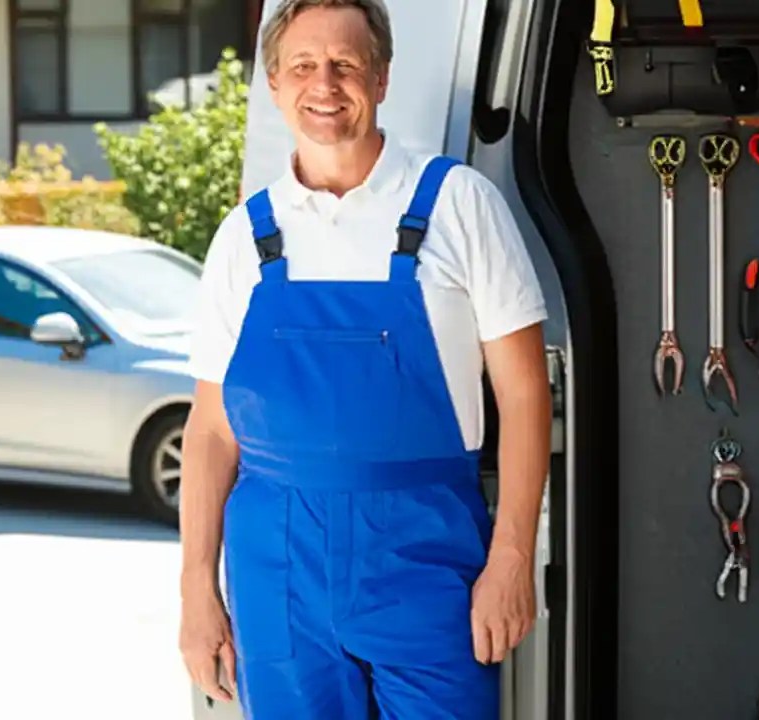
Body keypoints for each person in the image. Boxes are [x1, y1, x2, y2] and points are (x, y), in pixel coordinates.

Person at [175, 0, 553, 716]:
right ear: (277, 86)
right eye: (304, 67)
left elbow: (526, 394)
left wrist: (511, 556)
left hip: (428, 558)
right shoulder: (245, 236)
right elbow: (212, 431)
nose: (325, 84)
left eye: (346, 65)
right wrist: (198, 589)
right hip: (277, 569)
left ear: (380, 79)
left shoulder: (458, 205)